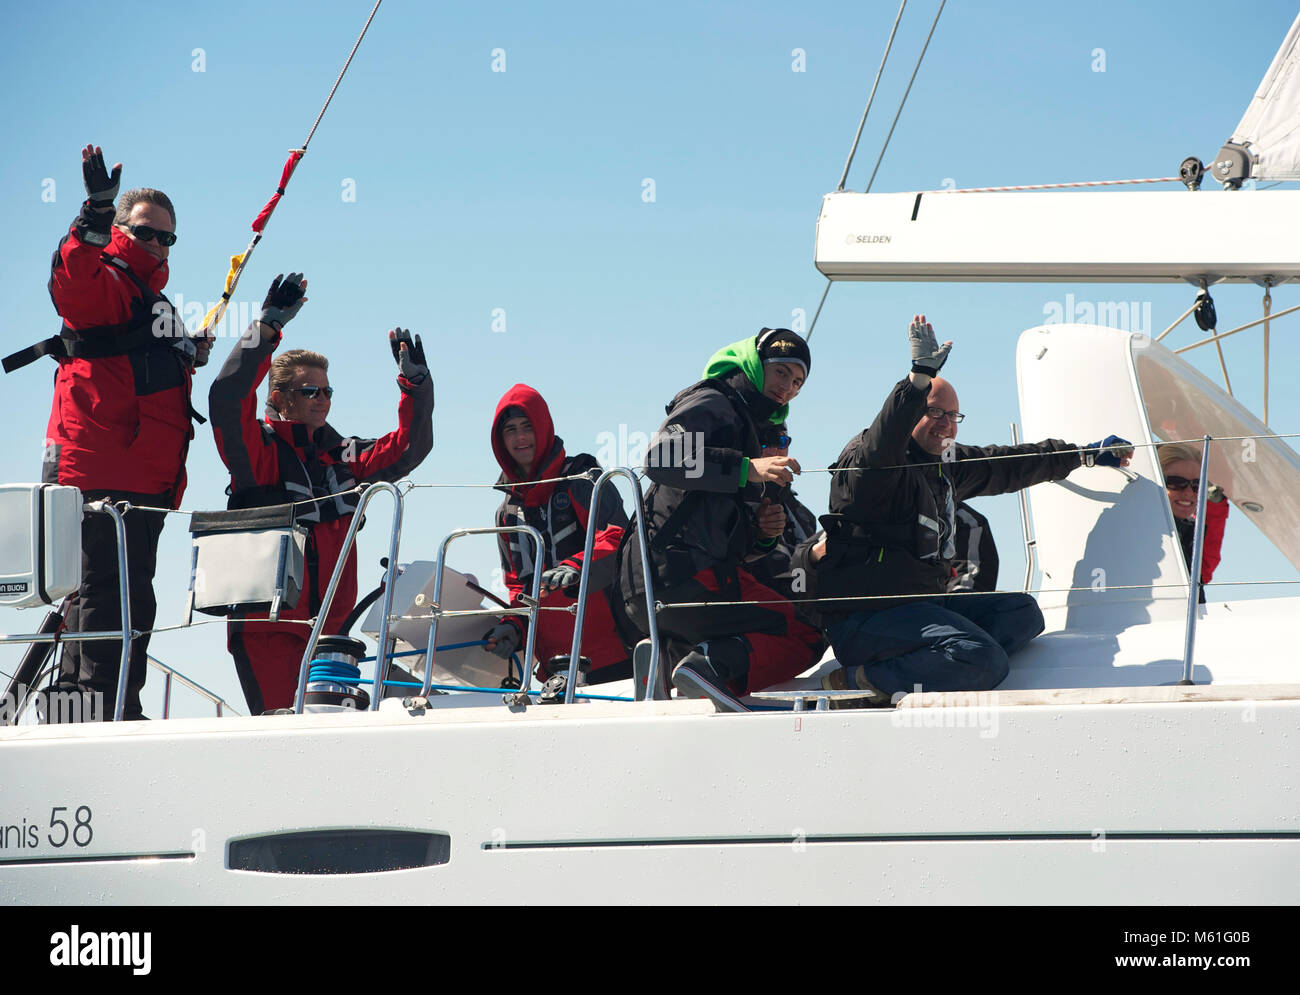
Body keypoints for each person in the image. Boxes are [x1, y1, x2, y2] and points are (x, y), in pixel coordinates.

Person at [814, 314, 1133, 704]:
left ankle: (938, 658)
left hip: (921, 608)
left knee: (1022, 612)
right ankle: (860, 679)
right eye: (935, 412)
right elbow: (882, 446)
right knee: (984, 660)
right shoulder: (873, 466)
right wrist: (917, 377)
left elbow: (1005, 464)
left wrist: (1082, 454)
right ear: (911, 412)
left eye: (953, 416)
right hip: (867, 620)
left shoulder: (941, 464)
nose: (946, 425)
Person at [7, 145, 212, 720]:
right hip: (97, 469)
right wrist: (93, 213)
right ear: (121, 229)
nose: (157, 245)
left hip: (145, 479)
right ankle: (96, 720)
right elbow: (70, 278)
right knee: (101, 600)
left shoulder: (152, 299)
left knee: (130, 602)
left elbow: (137, 366)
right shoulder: (103, 280)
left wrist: (186, 351)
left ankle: (109, 712)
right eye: (147, 232)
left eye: (167, 238)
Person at [208, 274, 434, 713]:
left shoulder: (343, 457)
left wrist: (417, 386)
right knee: (280, 741)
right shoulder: (259, 453)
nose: (322, 399)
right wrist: (268, 325)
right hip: (266, 631)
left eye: (328, 391)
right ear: (279, 396)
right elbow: (226, 396)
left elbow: (411, 446)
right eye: (310, 391)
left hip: (331, 637)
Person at [619, 327, 825, 710]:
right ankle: (710, 666)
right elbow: (660, 458)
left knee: (777, 606)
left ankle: (669, 662)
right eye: (781, 371)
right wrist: (747, 469)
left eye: (798, 381)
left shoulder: (761, 429)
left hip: (654, 584)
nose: (788, 387)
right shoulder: (716, 400)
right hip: (680, 573)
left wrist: (764, 534)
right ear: (755, 364)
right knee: (807, 631)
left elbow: (733, 537)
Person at [481, 385, 637, 696]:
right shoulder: (506, 514)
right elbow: (517, 588)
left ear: (543, 427)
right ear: (500, 441)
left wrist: (576, 566)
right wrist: (515, 627)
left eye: (528, 427)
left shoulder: (582, 478)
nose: (520, 437)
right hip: (554, 671)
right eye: (510, 430)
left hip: (618, 659)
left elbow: (619, 537)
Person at [1158, 442, 1228, 601]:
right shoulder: (1137, 534)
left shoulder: (1186, 535)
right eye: (1176, 482)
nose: (1189, 492)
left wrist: (1215, 506)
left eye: (1197, 485)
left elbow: (1203, 569)